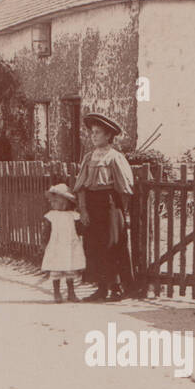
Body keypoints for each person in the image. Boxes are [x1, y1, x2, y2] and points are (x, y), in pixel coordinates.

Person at [74, 113, 138, 302]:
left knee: (112, 245)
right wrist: (83, 210)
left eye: (98, 133)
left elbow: (125, 187)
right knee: (94, 246)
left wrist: (120, 212)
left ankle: (117, 288)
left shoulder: (114, 157)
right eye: (92, 132)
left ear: (109, 136)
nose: (93, 136)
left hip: (110, 205)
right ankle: (101, 288)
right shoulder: (88, 157)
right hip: (92, 205)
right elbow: (81, 187)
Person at [41, 183, 84, 303]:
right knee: (56, 270)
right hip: (56, 246)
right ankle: (56, 292)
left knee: (70, 269)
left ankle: (71, 292)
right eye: (51, 201)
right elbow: (46, 231)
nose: (52, 203)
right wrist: (44, 243)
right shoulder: (51, 216)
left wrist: (81, 223)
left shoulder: (74, 215)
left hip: (71, 246)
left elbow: (80, 230)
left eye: (55, 201)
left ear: (65, 202)